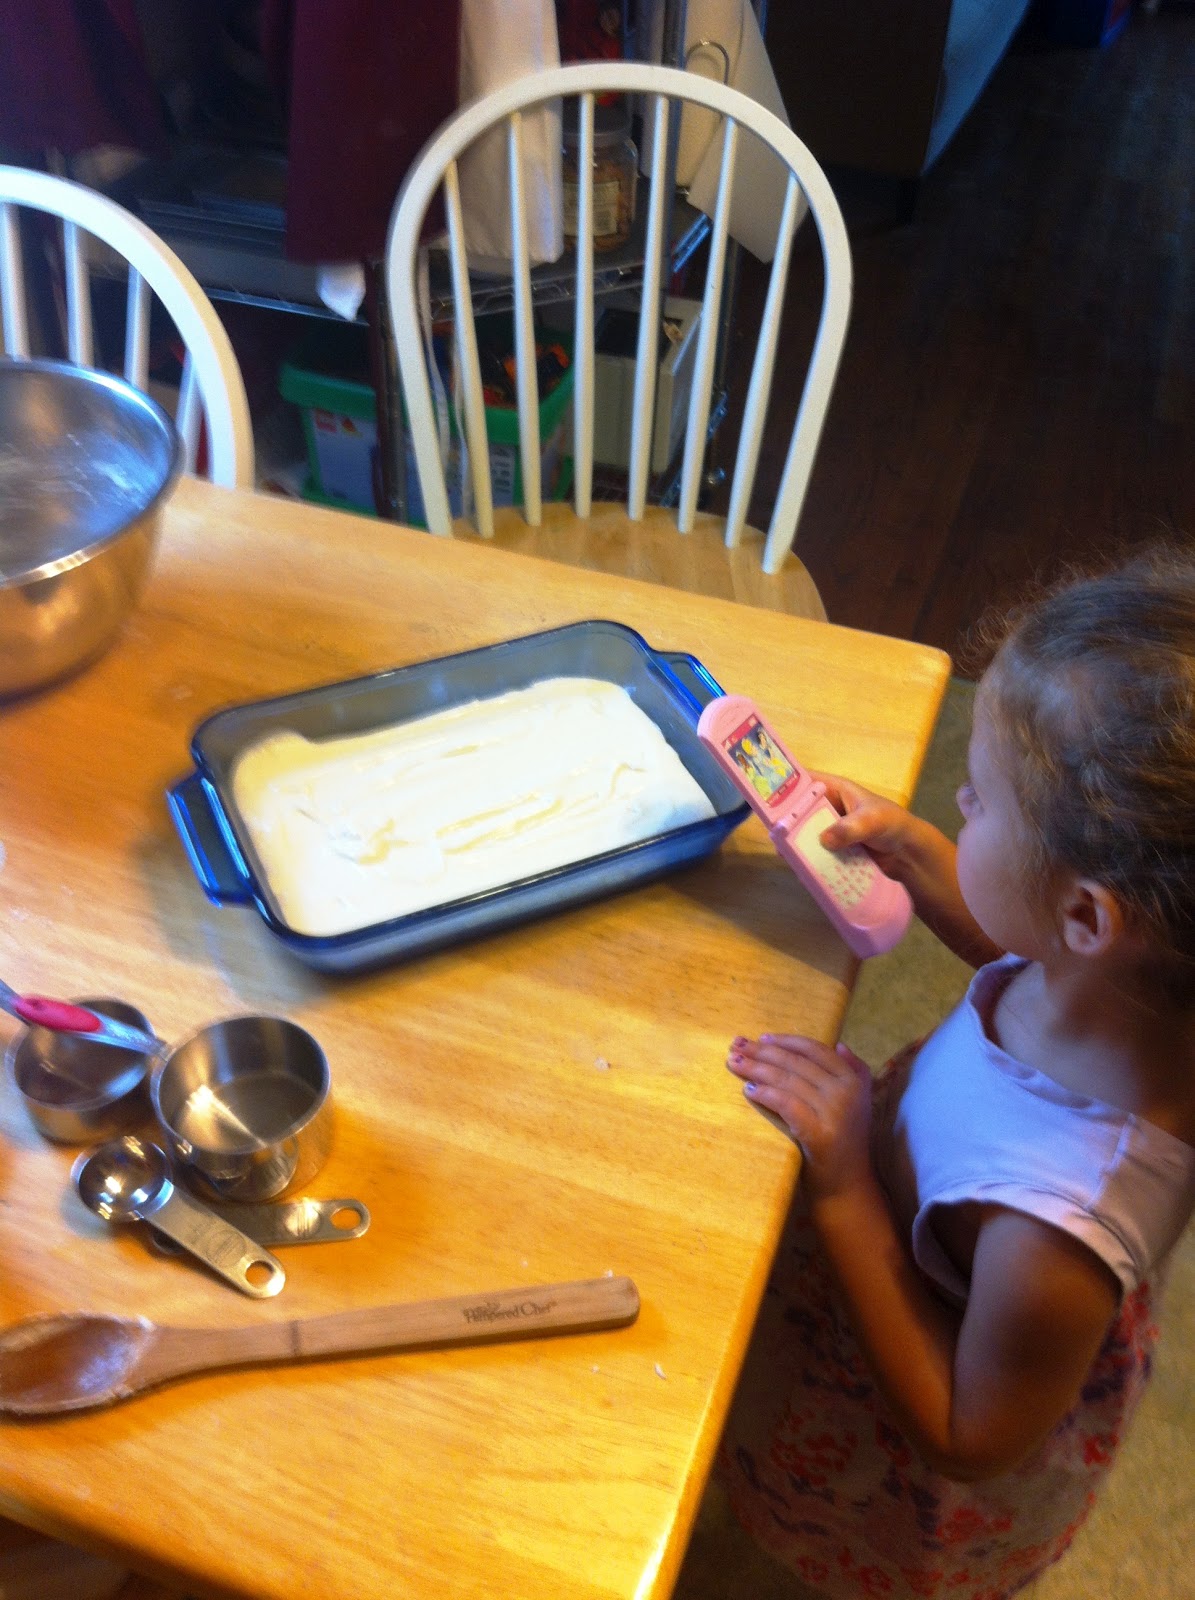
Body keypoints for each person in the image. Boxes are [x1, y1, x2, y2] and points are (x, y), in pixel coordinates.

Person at [717, 547, 1195, 1600]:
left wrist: (845, 1182)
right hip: (934, 1241)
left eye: (976, 802)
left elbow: (966, 1431)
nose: (957, 802)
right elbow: (1027, 965)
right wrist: (930, 859)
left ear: (1087, 916)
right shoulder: (1134, 996)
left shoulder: (1053, 1228)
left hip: (905, 1435)